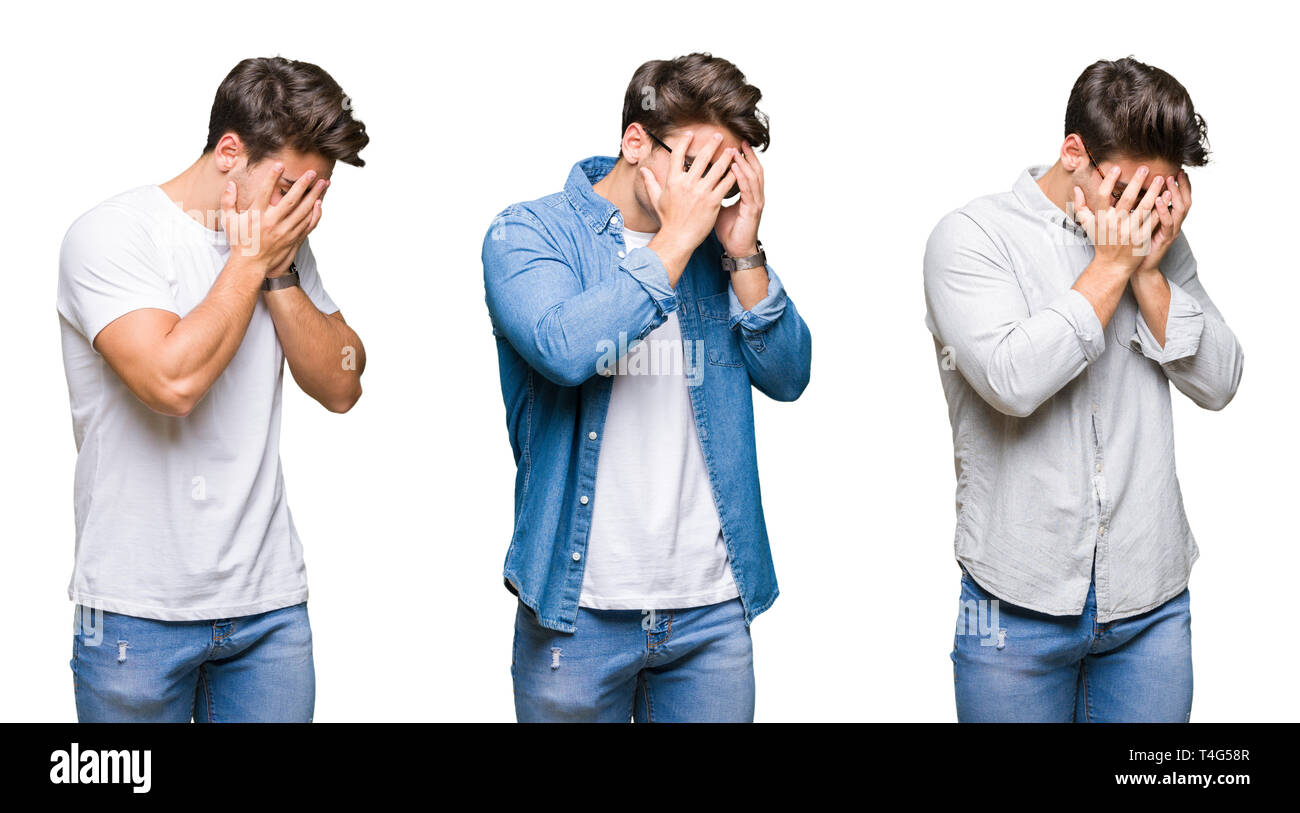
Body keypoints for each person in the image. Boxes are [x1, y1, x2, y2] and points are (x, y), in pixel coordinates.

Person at [482, 53, 811, 722]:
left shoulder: (721, 248)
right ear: (636, 143)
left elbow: (790, 375)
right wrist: (679, 241)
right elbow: (566, 349)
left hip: (711, 612)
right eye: (694, 164)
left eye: (726, 170)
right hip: (575, 614)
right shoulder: (528, 232)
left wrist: (745, 254)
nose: (708, 189)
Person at [924, 57, 1244, 722]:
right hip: (1012, 612)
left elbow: (1221, 382)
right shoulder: (972, 237)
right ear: (1075, 154)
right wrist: (1113, 266)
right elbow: (1014, 381)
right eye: (1130, 190)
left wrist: (1151, 272)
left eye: (1165, 192)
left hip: (1150, 606)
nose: (1148, 211)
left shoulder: (1156, 244)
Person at [57, 56, 369, 722]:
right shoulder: (112, 235)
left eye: (316, 193)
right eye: (288, 185)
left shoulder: (278, 248)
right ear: (231, 152)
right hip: (134, 613)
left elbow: (344, 377)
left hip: (268, 611)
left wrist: (280, 274)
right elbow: (172, 381)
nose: (302, 210)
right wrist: (250, 263)